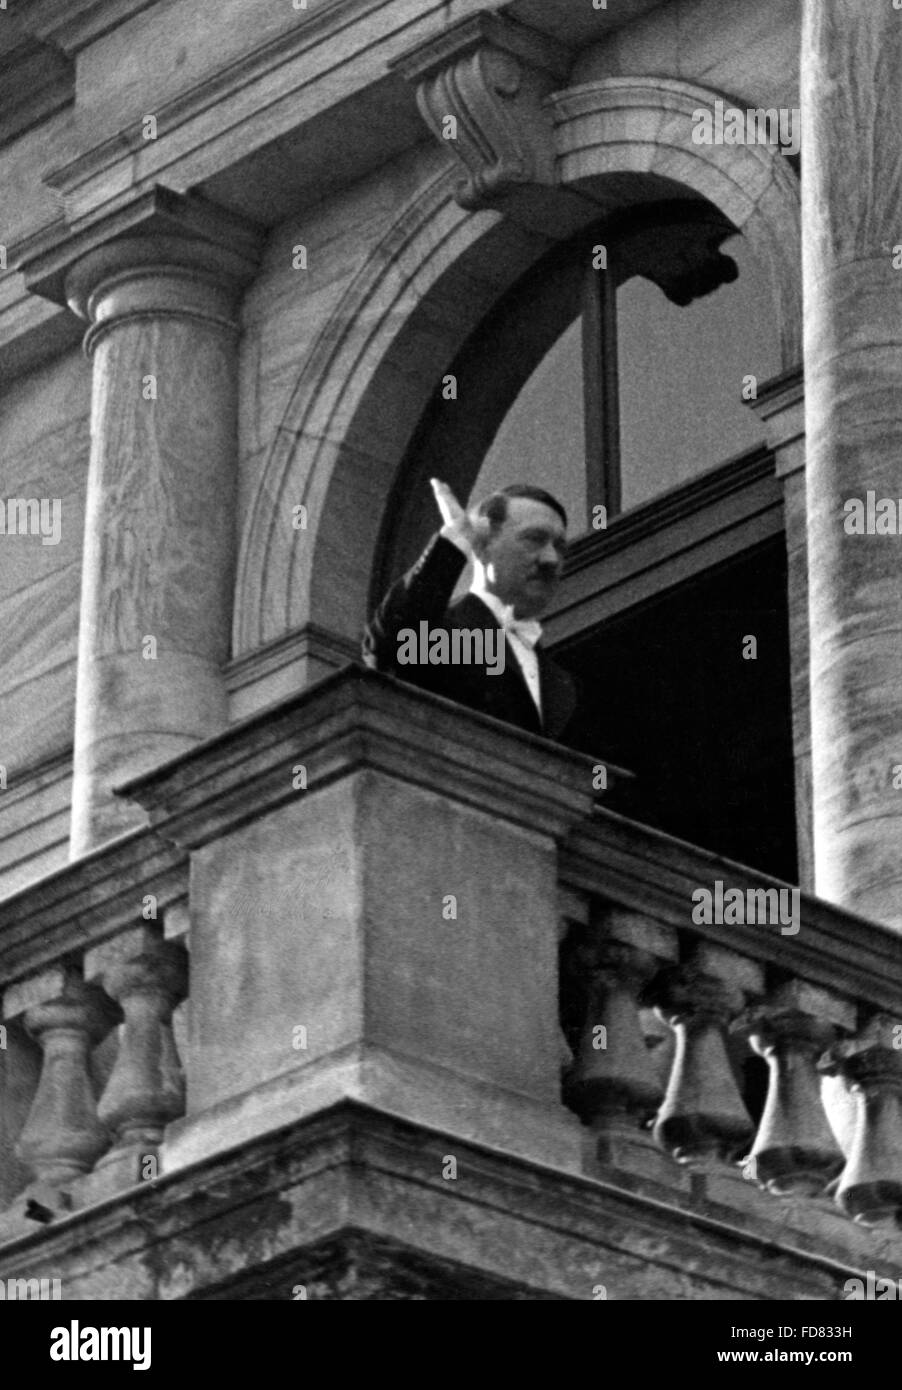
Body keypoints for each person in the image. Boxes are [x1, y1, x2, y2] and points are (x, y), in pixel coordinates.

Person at [362, 479, 581, 742]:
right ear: (482, 545)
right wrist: (454, 541)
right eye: (534, 539)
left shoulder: (561, 681)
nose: (551, 559)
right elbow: (391, 648)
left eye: (559, 547)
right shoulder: (446, 634)